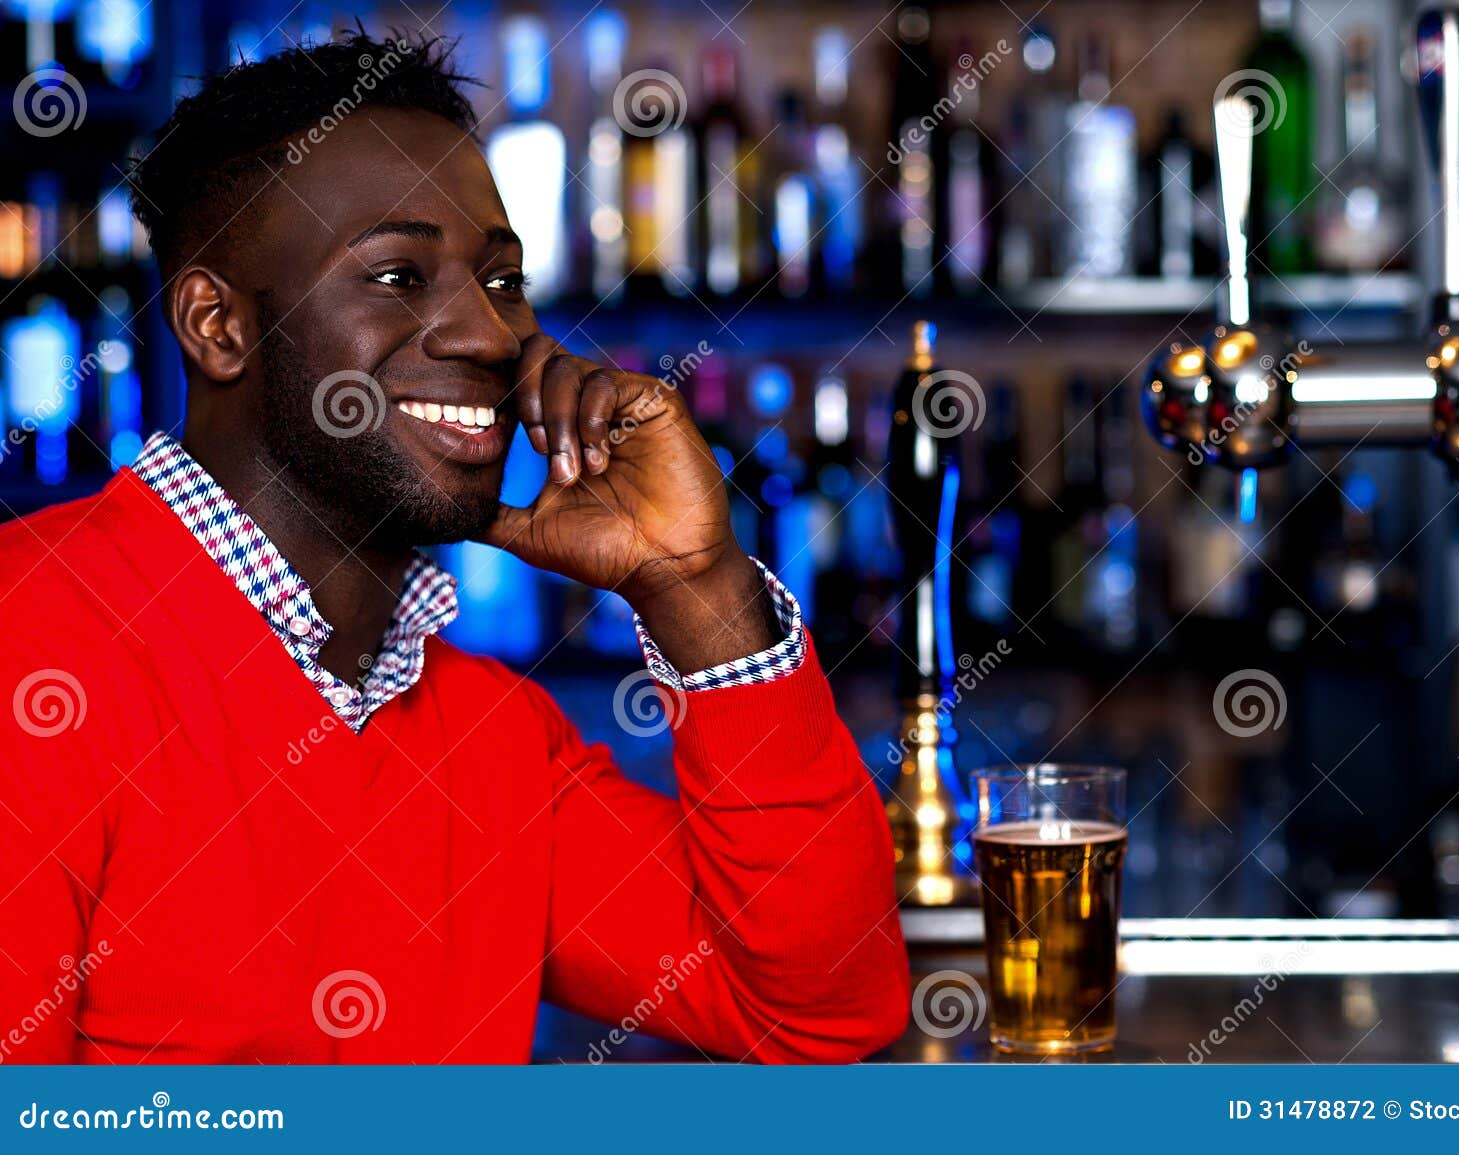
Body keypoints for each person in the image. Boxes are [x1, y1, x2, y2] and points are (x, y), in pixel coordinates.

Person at [0, 31, 908, 1064]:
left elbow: (814, 1013)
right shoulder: (30, 650)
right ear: (217, 325)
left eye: (502, 281)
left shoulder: (497, 738)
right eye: (396, 275)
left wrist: (694, 587)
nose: (486, 335)